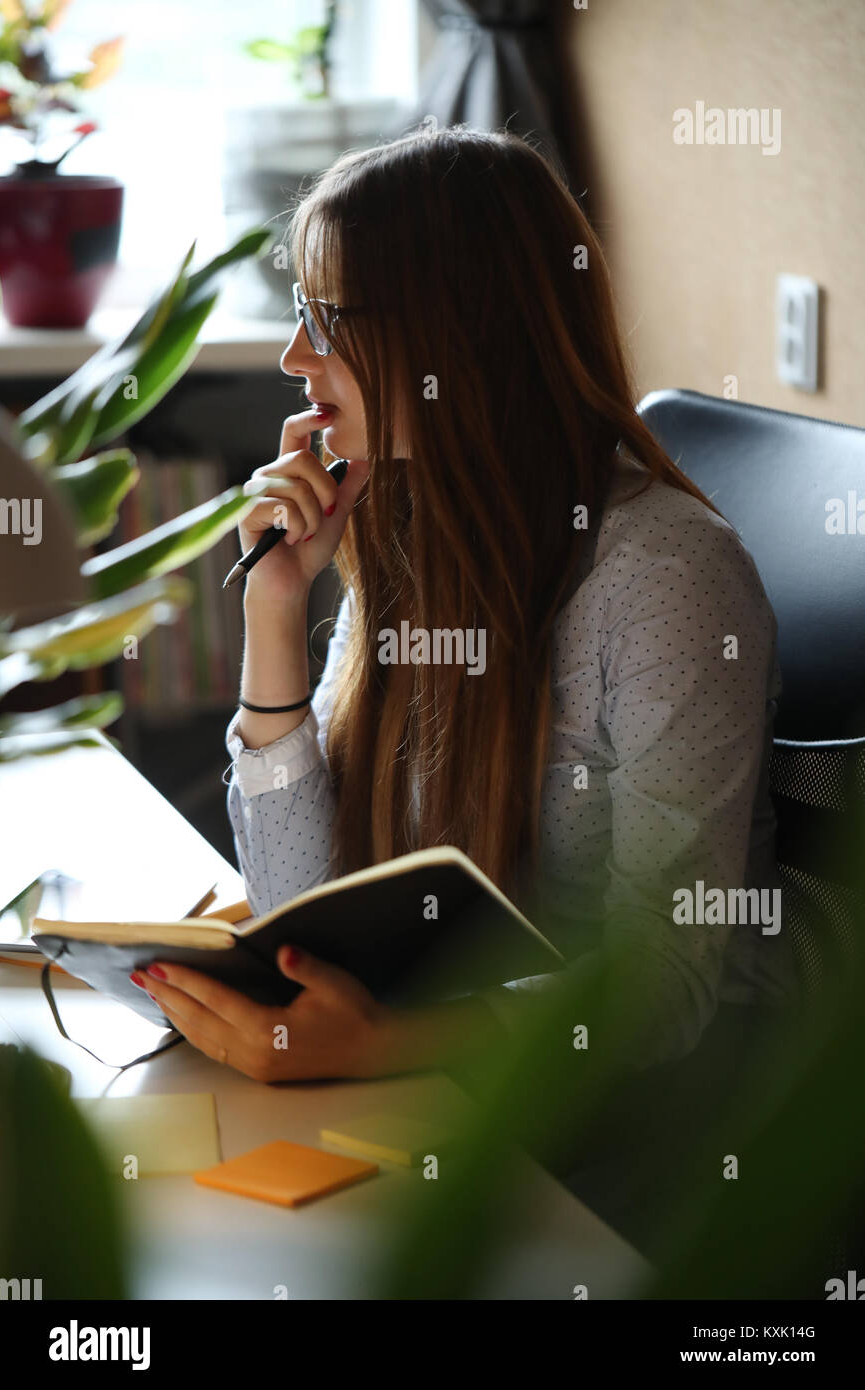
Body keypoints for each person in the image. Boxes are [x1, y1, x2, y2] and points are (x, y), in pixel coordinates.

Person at [135, 128, 796, 1167]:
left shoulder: (665, 577)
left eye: (328, 317)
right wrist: (274, 611)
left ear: (462, 330)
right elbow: (300, 916)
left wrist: (378, 1044)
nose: (294, 356)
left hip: (621, 1128)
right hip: (440, 1090)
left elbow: (661, 986)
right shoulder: (405, 525)